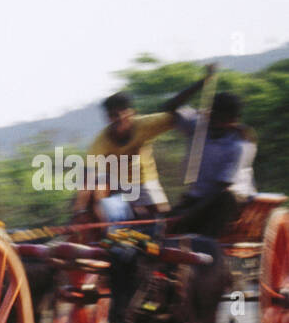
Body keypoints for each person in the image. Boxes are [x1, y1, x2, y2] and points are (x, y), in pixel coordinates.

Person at [82, 65, 215, 225]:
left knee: (164, 220)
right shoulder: (100, 142)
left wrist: (203, 86)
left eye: (118, 115)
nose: (115, 120)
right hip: (117, 184)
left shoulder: (146, 124)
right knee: (96, 191)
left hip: (145, 180)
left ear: (131, 113)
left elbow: (173, 111)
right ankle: (105, 229)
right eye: (110, 116)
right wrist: (83, 205)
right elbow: (88, 173)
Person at [169, 90, 257, 239]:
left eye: (223, 118)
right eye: (214, 115)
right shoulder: (198, 126)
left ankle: (207, 245)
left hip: (227, 200)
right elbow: (171, 106)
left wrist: (190, 213)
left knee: (225, 199)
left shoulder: (240, 145)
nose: (216, 121)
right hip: (199, 198)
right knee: (165, 224)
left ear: (234, 119)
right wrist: (203, 82)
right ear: (210, 112)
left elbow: (221, 188)